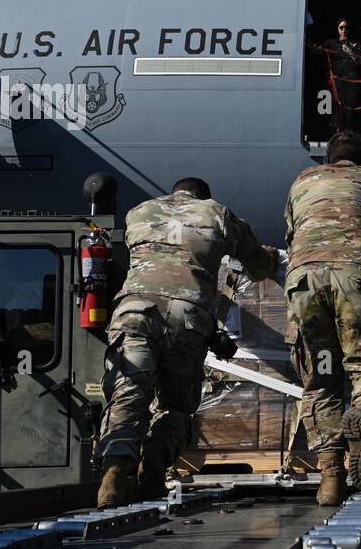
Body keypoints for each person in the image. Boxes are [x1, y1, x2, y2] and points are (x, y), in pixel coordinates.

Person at [96, 178, 280, 507]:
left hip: (136, 311)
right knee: (175, 405)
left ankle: (112, 474)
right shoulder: (216, 214)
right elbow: (257, 259)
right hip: (189, 316)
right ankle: (153, 469)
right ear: (203, 197)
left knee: (128, 393)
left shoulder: (139, 213)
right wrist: (264, 262)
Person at [284, 129, 361, 505]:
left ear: (328, 160)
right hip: (356, 280)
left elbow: (291, 234)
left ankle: (331, 478)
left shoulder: (303, 181)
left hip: (305, 282)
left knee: (321, 376)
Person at [317, 17, 361, 132]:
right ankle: (335, 133)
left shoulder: (356, 44)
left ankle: (347, 132)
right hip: (336, 81)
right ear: (337, 29)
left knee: (349, 109)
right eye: (341, 27)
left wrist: (347, 45)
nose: (344, 30)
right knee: (335, 108)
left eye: (346, 28)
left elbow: (358, 61)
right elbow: (317, 51)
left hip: (351, 82)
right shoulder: (330, 43)